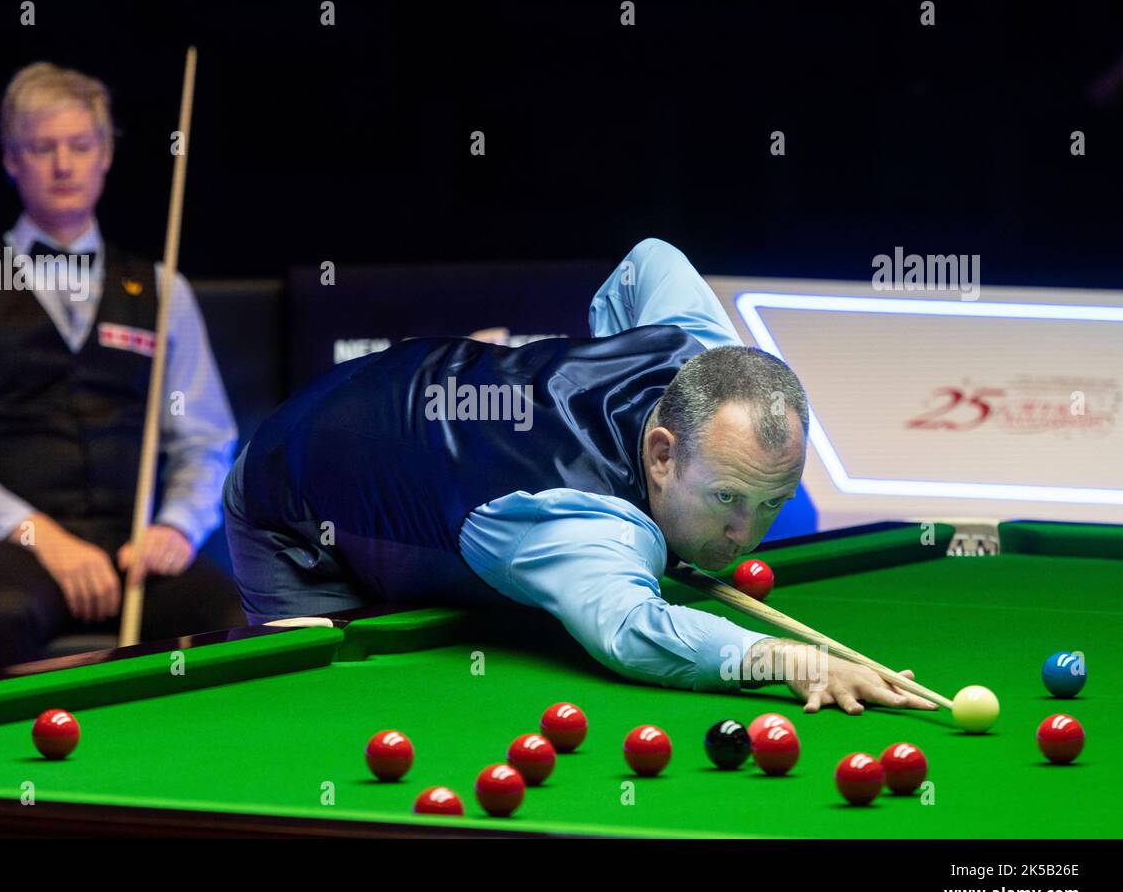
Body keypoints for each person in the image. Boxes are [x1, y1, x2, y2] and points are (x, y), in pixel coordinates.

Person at [224, 238, 933, 714]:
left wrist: (595, 356)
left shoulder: (702, 353)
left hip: (420, 422)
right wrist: (787, 661)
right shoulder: (578, 518)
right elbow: (632, 633)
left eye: (771, 503)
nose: (745, 536)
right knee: (327, 705)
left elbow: (649, 258)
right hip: (294, 495)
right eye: (725, 499)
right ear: (660, 453)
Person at [0, 62, 243, 668]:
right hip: (17, 548)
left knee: (232, 618)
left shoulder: (162, 287)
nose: (64, 165)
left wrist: (179, 528)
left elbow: (206, 438)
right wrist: (44, 538)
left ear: (105, 154)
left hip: (137, 549)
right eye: (42, 148)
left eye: (80, 146)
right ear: (11, 160)